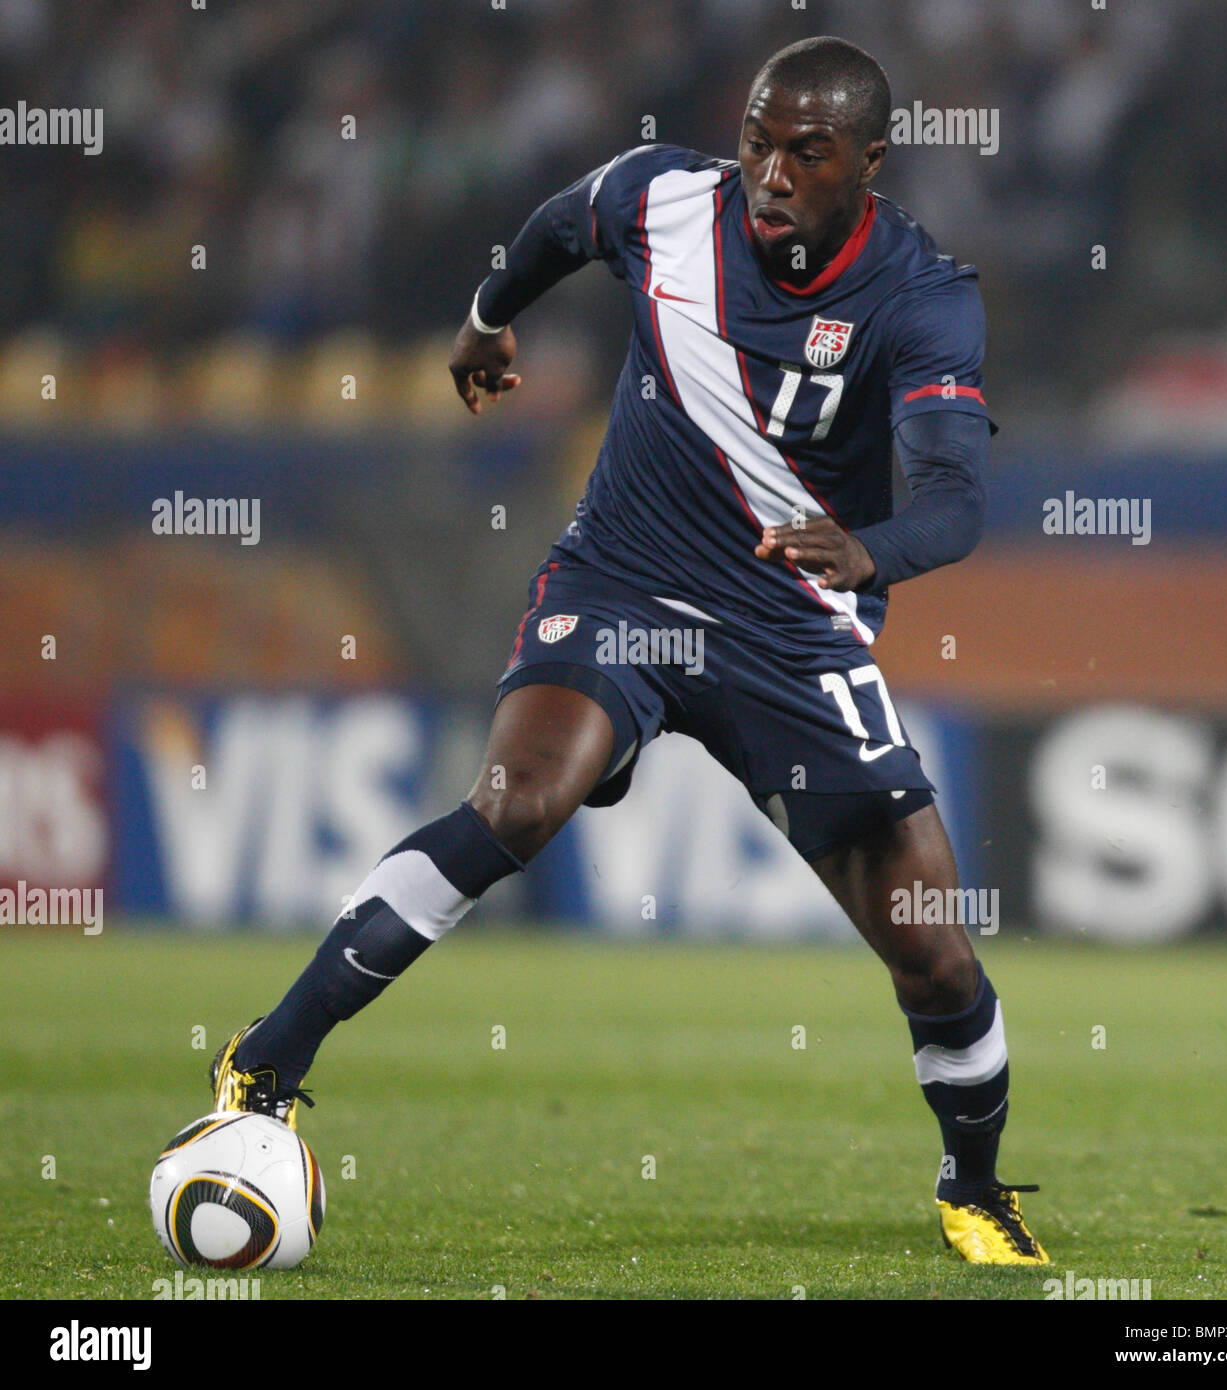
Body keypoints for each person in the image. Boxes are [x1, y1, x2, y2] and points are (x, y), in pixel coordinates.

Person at [211, 35, 1047, 1266]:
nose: (768, 172)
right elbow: (558, 222)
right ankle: (265, 1058)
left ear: (866, 163)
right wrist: (489, 316)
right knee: (516, 801)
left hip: (790, 627)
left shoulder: (922, 297)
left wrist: (870, 552)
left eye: (803, 153)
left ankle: (972, 1188)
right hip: (624, 581)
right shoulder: (666, 195)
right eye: (758, 139)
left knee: (928, 942)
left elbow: (957, 500)